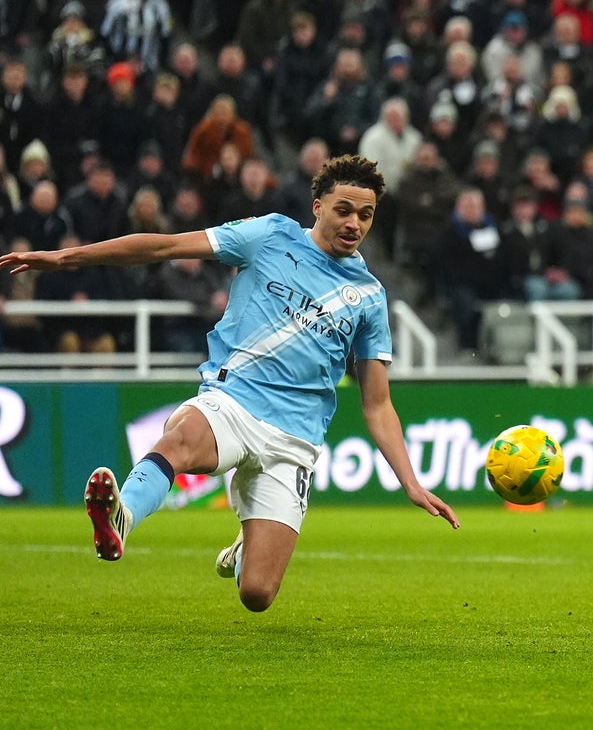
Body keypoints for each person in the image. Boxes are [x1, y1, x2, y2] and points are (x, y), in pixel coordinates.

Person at [0, 154, 460, 612]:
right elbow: (164, 247)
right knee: (180, 440)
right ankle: (122, 517)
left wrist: (411, 482)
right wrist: (68, 257)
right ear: (317, 206)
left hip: (294, 439)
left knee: (257, 594)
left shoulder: (369, 297)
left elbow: (377, 404)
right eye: (344, 210)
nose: (354, 223)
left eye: (366, 214)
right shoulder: (270, 235)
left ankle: (244, 548)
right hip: (233, 401)